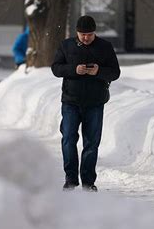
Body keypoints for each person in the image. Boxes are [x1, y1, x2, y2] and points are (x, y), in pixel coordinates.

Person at [51, 15, 120, 192]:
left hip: (95, 103)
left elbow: (115, 72)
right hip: (70, 102)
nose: (86, 38)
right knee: (68, 139)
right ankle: (71, 179)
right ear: (77, 33)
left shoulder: (105, 47)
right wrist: (74, 69)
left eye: (89, 34)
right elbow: (56, 68)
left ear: (94, 32)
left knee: (91, 143)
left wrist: (99, 71)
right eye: (82, 34)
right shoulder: (66, 45)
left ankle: (88, 182)